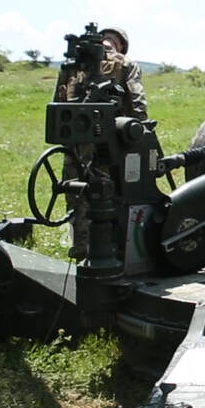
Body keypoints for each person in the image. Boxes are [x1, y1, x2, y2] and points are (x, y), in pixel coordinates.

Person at [53, 25, 146, 259]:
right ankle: (109, 251)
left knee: (76, 194)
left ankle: (81, 248)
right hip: (110, 142)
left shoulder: (74, 65)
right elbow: (137, 103)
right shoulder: (126, 64)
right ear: (121, 45)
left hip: (75, 141)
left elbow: (58, 103)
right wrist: (139, 133)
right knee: (110, 194)